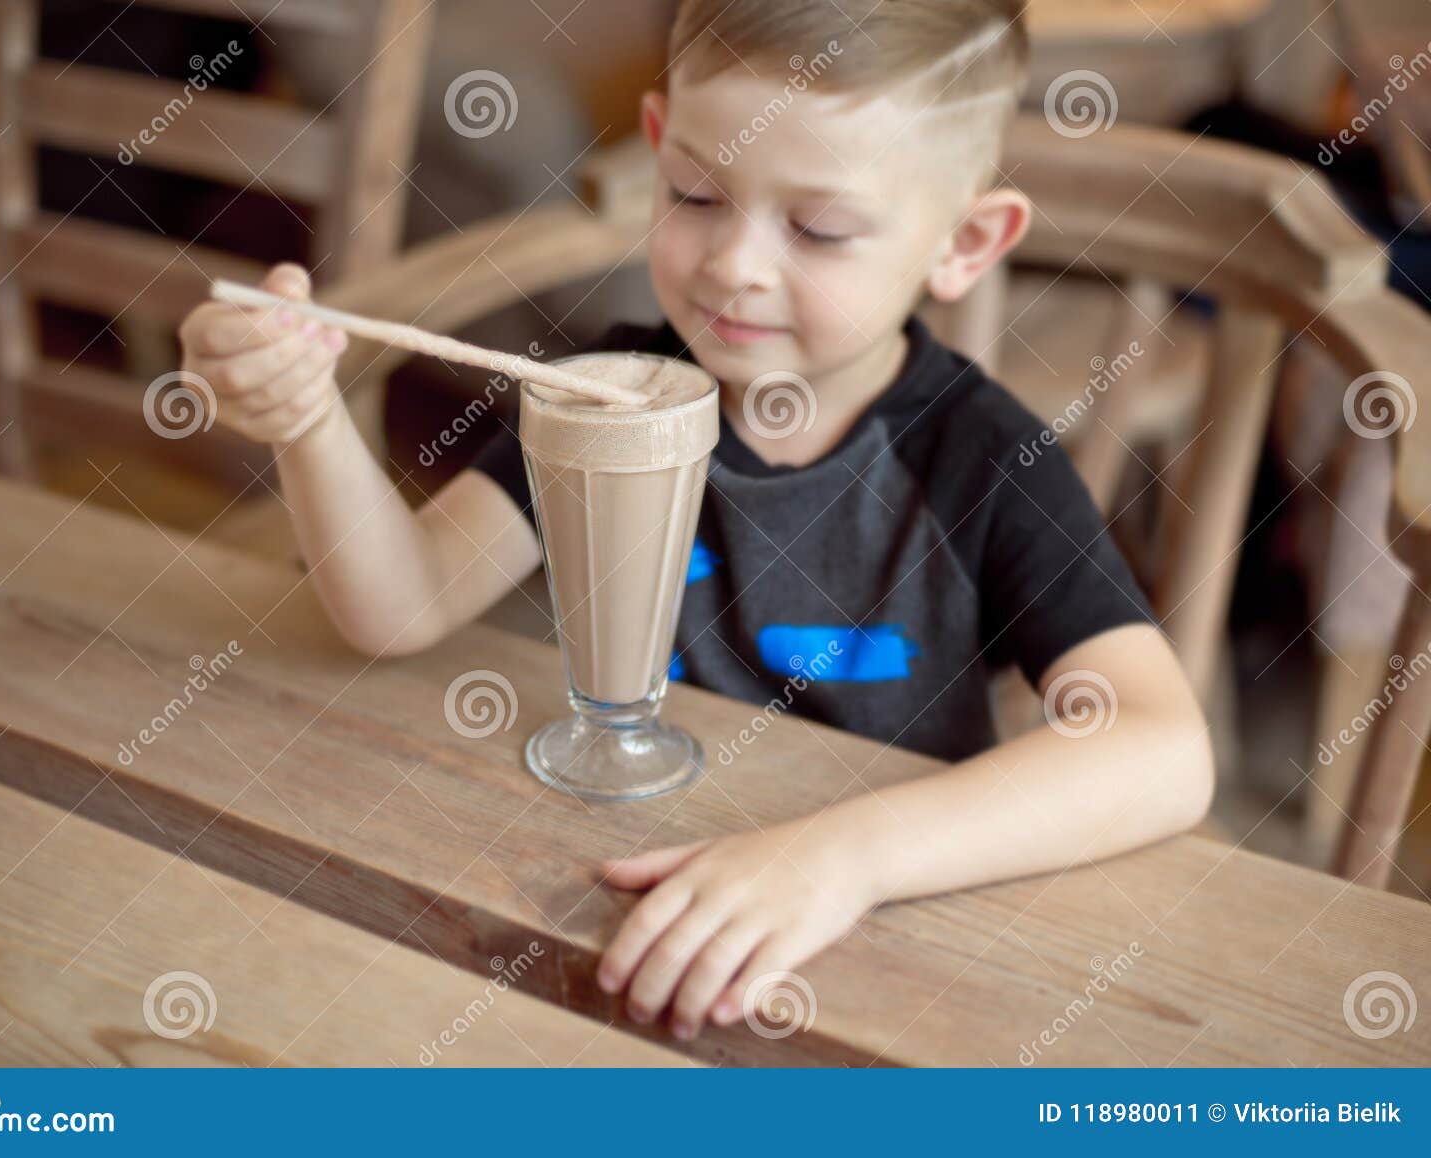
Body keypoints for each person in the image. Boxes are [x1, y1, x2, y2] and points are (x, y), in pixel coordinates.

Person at [177, 0, 1213, 1043]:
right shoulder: (614, 397)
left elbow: (1161, 748)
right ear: (660, 143)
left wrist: (841, 859)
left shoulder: (986, 460)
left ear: (965, 242)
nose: (733, 267)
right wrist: (303, 419)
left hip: (893, 945)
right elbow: (398, 605)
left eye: (817, 228)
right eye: (697, 195)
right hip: (625, 898)